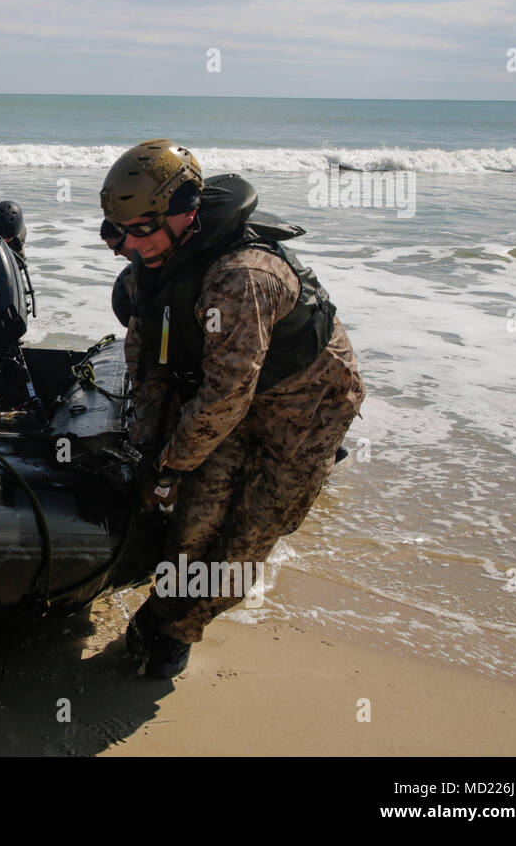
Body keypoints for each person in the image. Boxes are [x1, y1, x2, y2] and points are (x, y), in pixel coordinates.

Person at [101, 139, 365, 679]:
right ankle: (169, 607)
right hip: (228, 398)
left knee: (244, 542)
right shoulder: (157, 259)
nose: (127, 244)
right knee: (192, 527)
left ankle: (172, 629)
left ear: (183, 212)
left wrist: (172, 465)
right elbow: (147, 365)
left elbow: (227, 395)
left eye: (140, 230)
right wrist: (149, 455)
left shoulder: (242, 277)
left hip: (304, 410)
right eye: (115, 232)